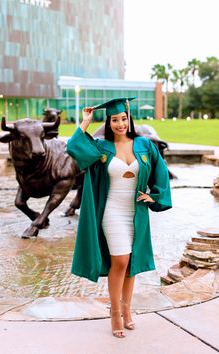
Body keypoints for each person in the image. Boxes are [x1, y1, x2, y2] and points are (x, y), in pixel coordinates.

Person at [66, 97, 172, 338]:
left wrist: (154, 196)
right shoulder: (102, 148)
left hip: (137, 213)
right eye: (115, 120)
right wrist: (84, 122)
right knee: (121, 261)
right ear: (109, 122)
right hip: (112, 211)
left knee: (131, 266)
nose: (120, 123)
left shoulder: (144, 144)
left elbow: (161, 171)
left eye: (123, 119)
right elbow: (74, 146)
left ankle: (127, 310)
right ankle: (115, 313)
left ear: (129, 119)